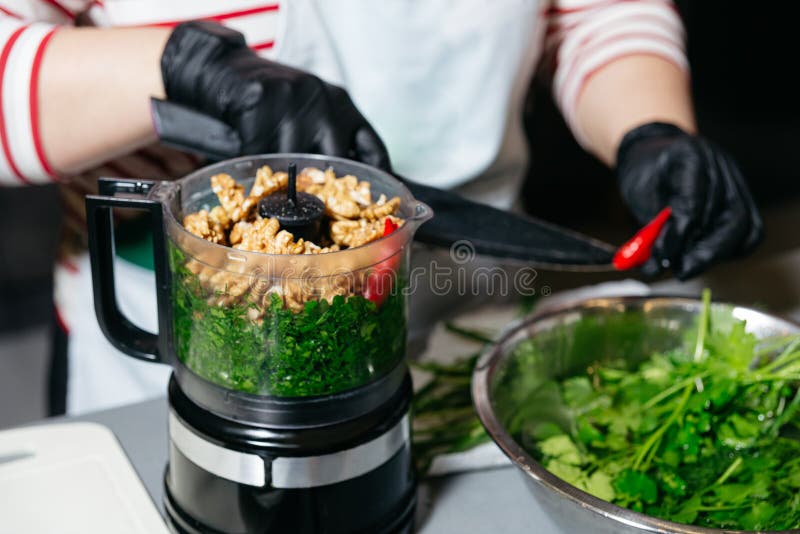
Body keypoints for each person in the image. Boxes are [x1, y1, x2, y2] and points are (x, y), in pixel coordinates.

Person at [0, 0, 762, 415]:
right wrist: (183, 66)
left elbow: (595, 12)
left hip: (475, 298)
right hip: (195, 336)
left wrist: (650, 130)